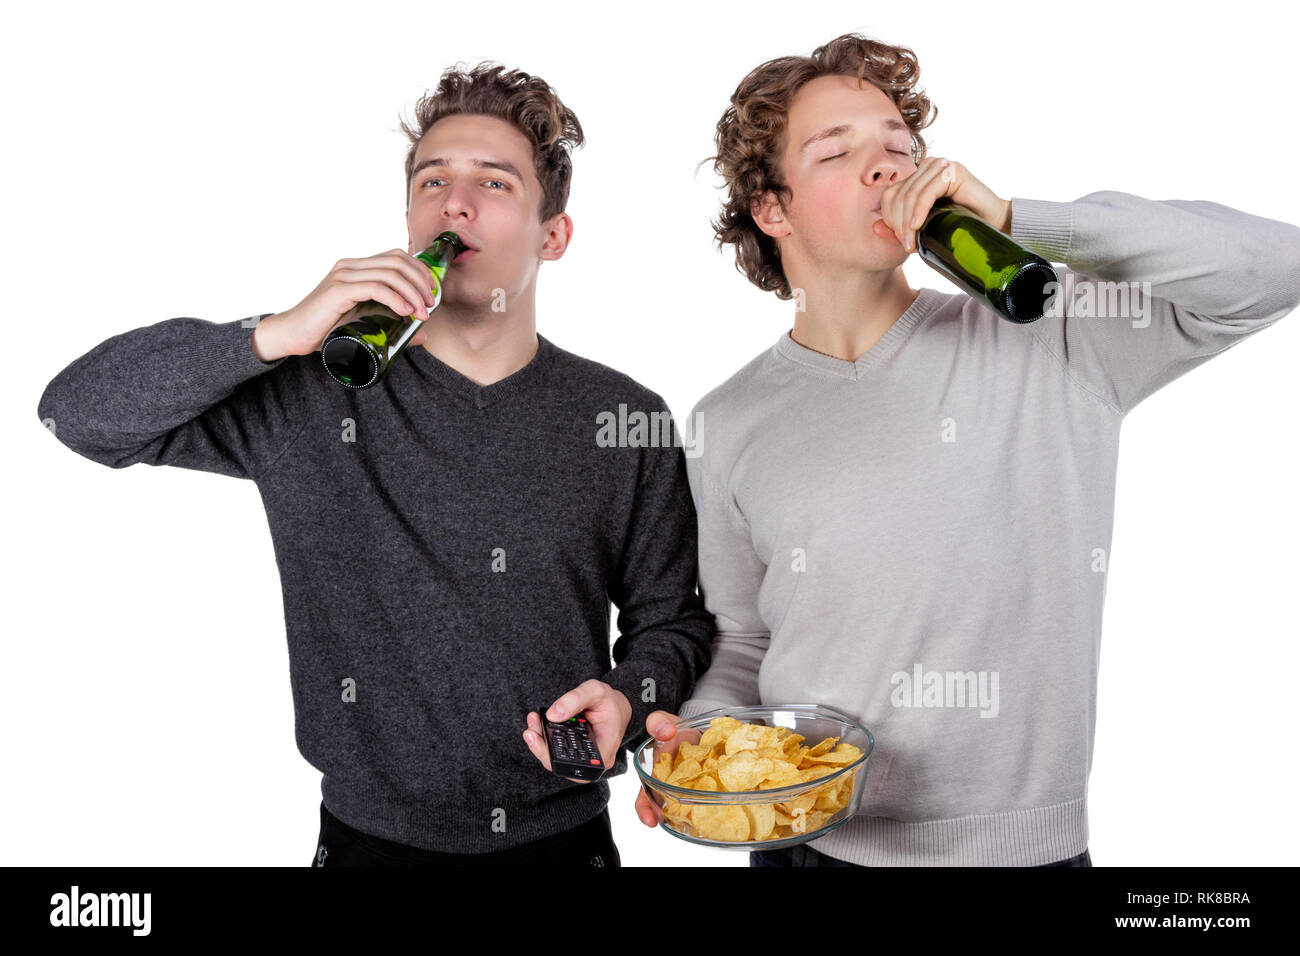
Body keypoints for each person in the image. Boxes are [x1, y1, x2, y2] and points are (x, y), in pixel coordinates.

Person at [633, 32, 1300, 866]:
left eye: (899, 149)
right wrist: (695, 748)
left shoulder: (1049, 333)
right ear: (773, 209)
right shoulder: (729, 419)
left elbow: (1277, 265)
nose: (885, 167)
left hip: (1022, 857)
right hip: (806, 851)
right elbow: (744, 640)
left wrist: (1023, 221)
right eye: (838, 152)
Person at [37, 61, 712, 867]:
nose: (454, 202)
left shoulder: (623, 417)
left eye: (493, 184)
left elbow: (673, 627)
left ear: (552, 235)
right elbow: (76, 413)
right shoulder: (311, 389)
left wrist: (631, 702)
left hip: (565, 842)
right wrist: (275, 332)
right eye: (433, 182)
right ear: (409, 218)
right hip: (363, 844)